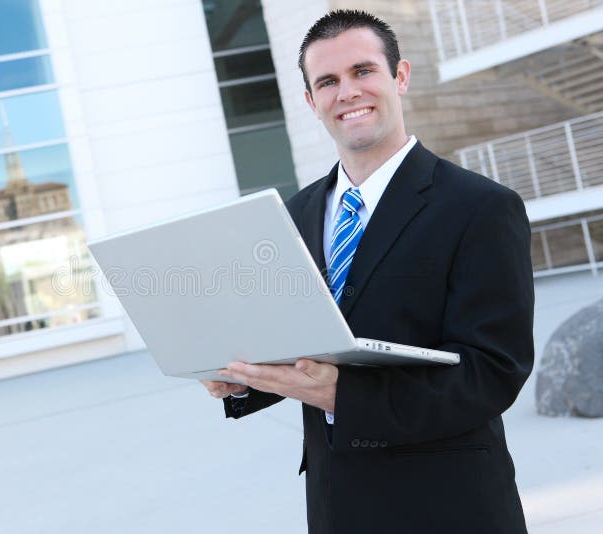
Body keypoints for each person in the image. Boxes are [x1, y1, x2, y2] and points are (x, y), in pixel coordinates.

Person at [202, 10, 534, 534]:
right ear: (312, 103)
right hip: (337, 504)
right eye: (328, 82)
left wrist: (344, 396)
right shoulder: (293, 216)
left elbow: (492, 374)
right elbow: (302, 343)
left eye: (363, 71)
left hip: (449, 505)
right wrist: (246, 380)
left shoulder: (481, 207)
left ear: (400, 76)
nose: (347, 92)